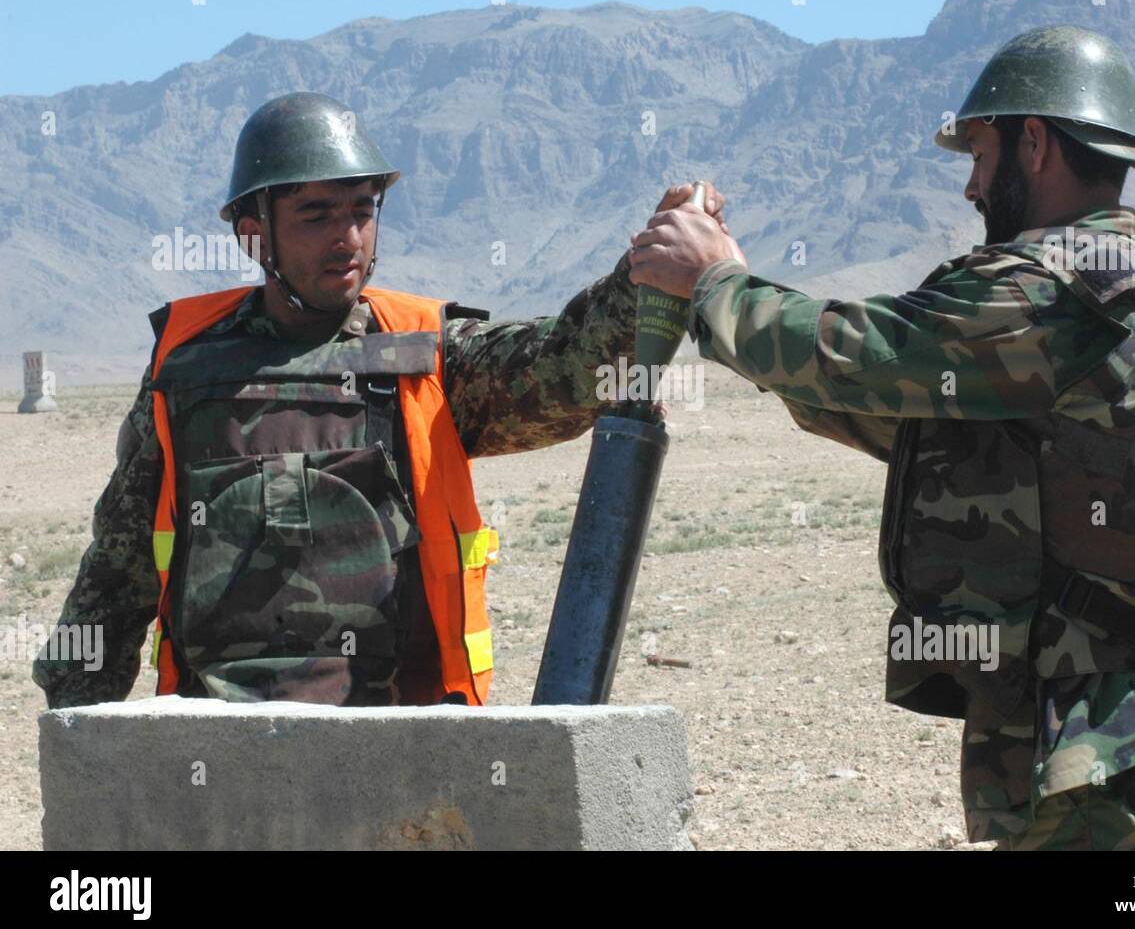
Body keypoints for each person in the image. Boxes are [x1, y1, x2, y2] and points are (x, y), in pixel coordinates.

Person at [627, 26, 1135, 850]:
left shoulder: (1047, 294)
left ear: (1033, 144)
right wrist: (753, 326)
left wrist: (716, 282)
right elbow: (922, 421)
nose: (970, 186)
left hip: (1086, 742)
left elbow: (861, 354)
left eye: (979, 153)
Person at [33, 91, 709, 708]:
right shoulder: (184, 368)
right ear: (253, 232)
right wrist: (79, 733)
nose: (348, 237)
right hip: (221, 751)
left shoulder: (427, 354)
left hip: (407, 742)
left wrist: (648, 275)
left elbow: (571, 365)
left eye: (362, 210)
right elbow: (117, 570)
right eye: (317, 214)